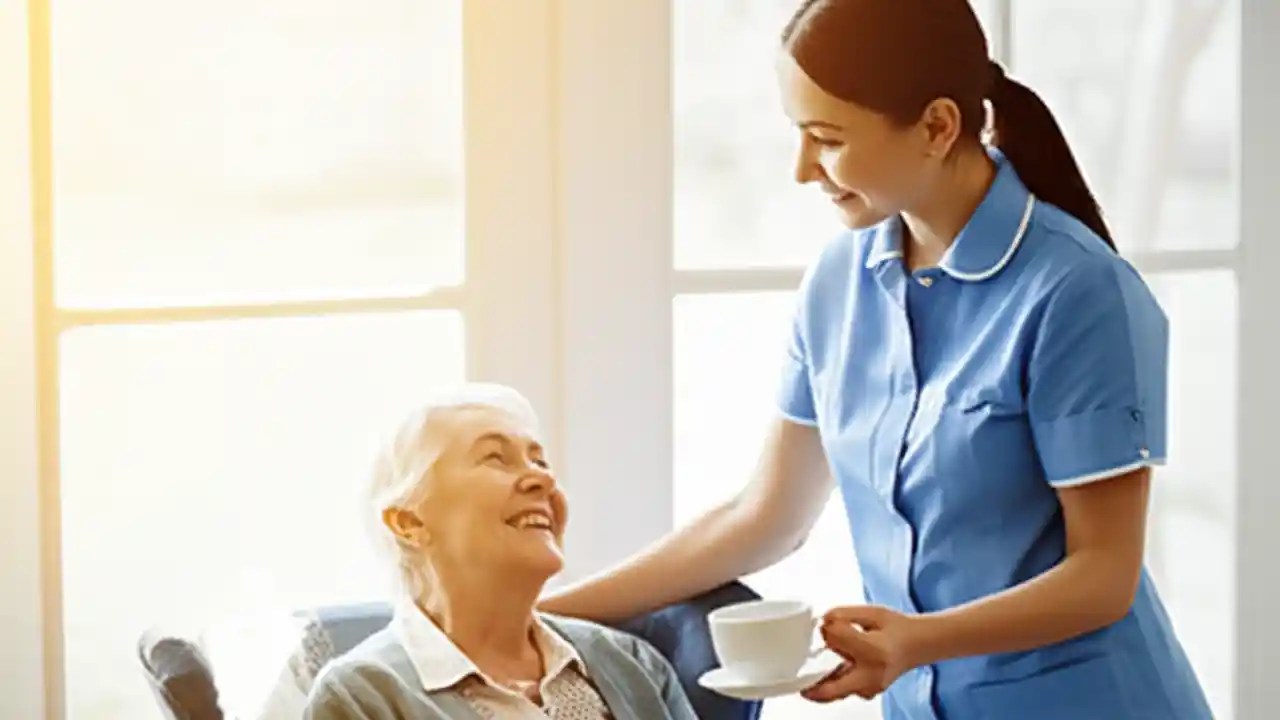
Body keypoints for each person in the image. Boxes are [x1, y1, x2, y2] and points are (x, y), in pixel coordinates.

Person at [539, 1, 1214, 718]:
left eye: (826, 138)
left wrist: (920, 641)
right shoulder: (839, 283)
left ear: (936, 126)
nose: (803, 169)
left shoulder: (1079, 293)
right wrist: (545, 616)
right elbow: (764, 516)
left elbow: (1103, 576)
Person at [305, 384, 697, 720]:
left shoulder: (633, 663)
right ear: (410, 523)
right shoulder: (361, 697)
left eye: (539, 460)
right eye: (496, 458)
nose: (544, 478)